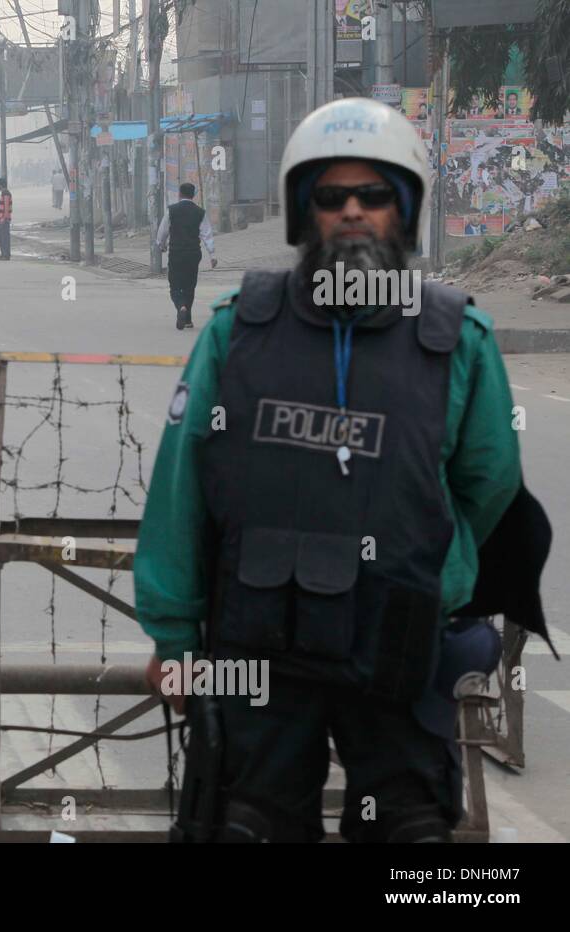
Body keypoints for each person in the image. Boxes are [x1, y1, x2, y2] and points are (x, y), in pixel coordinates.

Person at [134, 98, 528, 844]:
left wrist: (423, 567)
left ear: (403, 208)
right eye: (331, 197)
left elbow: (488, 485)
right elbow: (183, 494)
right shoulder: (236, 330)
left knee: (411, 833)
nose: (352, 212)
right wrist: (176, 642)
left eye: (373, 196)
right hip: (260, 654)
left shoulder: (458, 340)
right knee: (247, 825)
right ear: (302, 211)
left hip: (403, 652)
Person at [156, 181, 217, 330]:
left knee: (175, 285)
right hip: (193, 254)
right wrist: (212, 255)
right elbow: (207, 234)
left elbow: (163, 231)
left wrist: (161, 245)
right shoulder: (200, 212)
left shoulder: (172, 210)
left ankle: (181, 307)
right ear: (193, 195)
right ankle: (188, 319)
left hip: (176, 253)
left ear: (179, 194)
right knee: (190, 286)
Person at [0, 176, 13, 260]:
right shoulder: (4, 193)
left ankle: (5, 254)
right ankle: (4, 254)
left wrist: (3, 218)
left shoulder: (5, 193)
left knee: (3, 237)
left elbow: (6, 206)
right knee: (2, 237)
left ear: (1, 185)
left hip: (4, 219)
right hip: (3, 218)